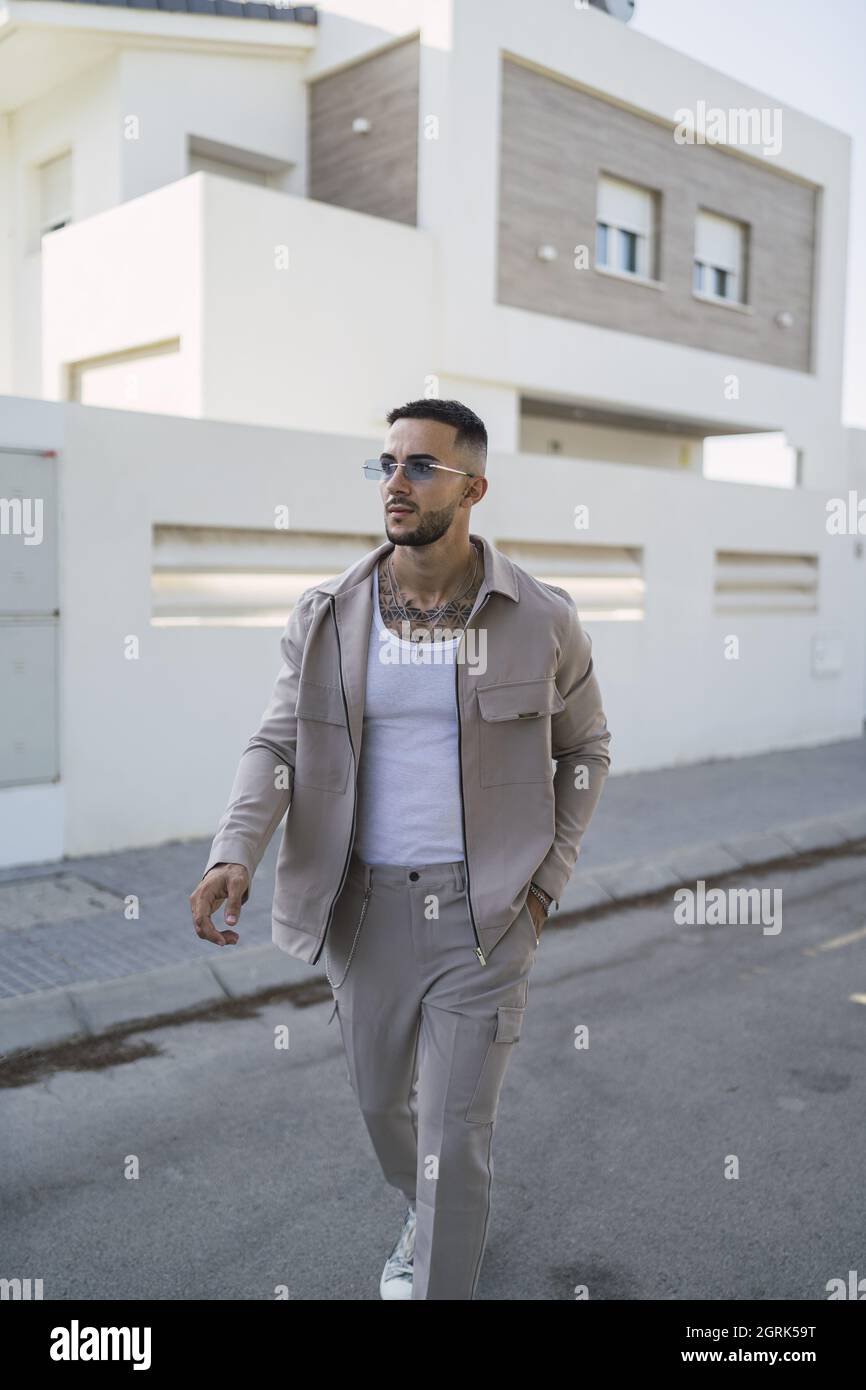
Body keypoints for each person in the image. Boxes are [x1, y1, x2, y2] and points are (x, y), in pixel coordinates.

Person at [189, 398, 612, 1300]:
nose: (396, 482)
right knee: (388, 1112)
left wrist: (545, 885)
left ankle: (437, 1273)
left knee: (452, 1137)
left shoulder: (540, 617)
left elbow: (585, 751)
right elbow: (278, 744)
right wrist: (236, 849)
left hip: (485, 914)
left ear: (474, 488)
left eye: (421, 466)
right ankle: (423, 1221)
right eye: (387, 463)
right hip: (361, 910)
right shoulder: (330, 615)